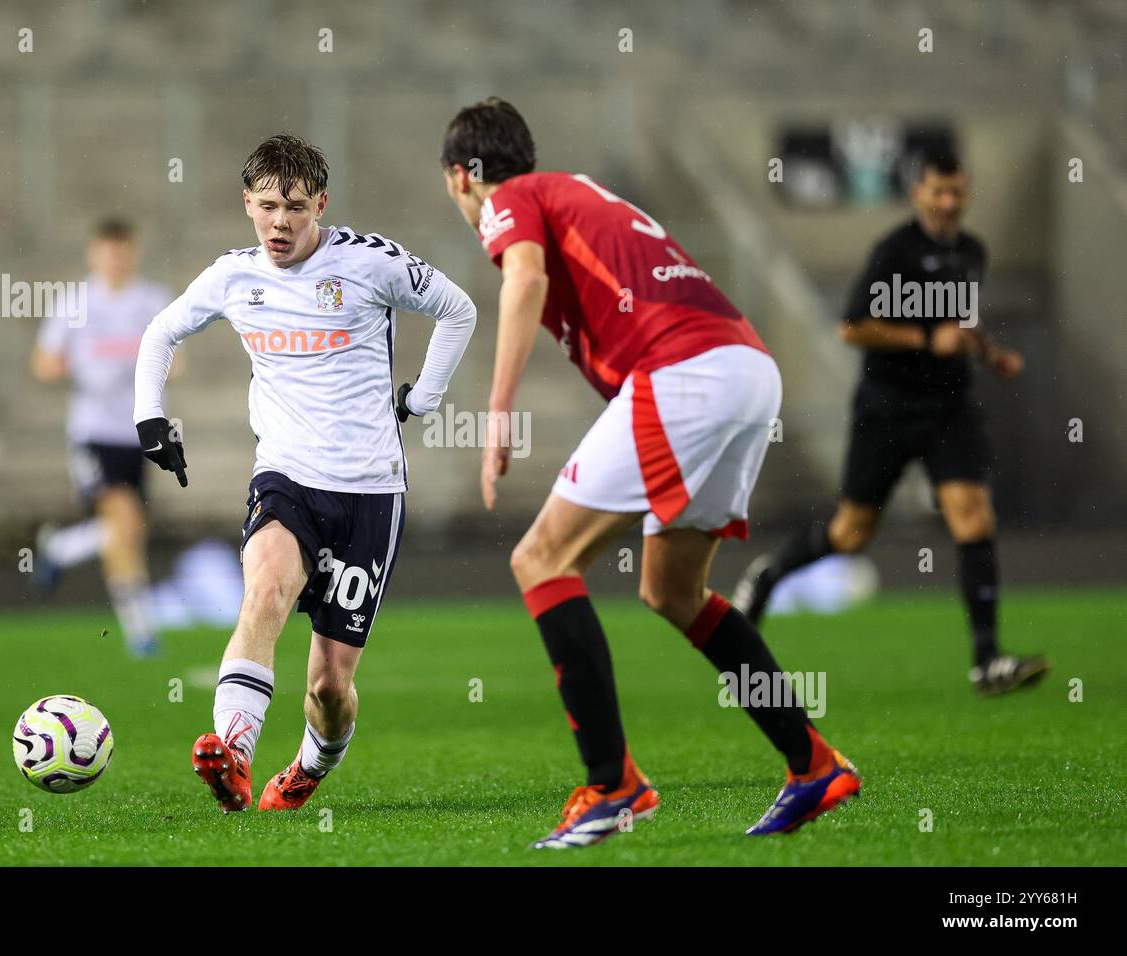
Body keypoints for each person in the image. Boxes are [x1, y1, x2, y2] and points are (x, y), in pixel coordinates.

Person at [441, 98, 860, 848]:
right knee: (671, 590)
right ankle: (814, 764)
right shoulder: (577, 193)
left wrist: (496, 411)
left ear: (458, 179)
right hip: (746, 368)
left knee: (540, 559)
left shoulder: (512, 200)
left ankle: (612, 787)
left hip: (686, 371)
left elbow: (526, 281)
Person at [133, 134, 476, 812]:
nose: (279, 223)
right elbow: (161, 331)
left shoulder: (370, 263)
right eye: (265, 207)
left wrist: (421, 400)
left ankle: (311, 765)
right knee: (263, 594)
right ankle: (233, 753)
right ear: (247, 205)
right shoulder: (234, 276)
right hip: (285, 475)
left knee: (328, 684)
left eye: (293, 207)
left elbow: (457, 309)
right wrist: (150, 419)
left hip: (370, 490)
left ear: (321, 203)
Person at [733, 149, 1048, 697]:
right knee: (850, 535)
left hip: (950, 407)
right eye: (937, 192)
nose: (948, 203)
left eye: (957, 192)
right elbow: (852, 329)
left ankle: (986, 660)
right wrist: (927, 341)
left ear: (967, 192)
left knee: (972, 519)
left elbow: (958, 323)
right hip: (888, 409)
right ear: (917, 194)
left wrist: (989, 352)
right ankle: (767, 575)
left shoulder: (972, 251)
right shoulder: (895, 252)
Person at [32, 218, 171, 657]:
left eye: (123, 250)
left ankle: (63, 547)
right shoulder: (76, 302)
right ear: (96, 254)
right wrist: (61, 368)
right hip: (92, 432)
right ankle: (141, 631)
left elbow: (175, 354)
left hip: (138, 431)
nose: (116, 259)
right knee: (123, 520)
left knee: (126, 535)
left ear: (134, 253)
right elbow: (43, 360)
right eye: (109, 251)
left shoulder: (153, 300)